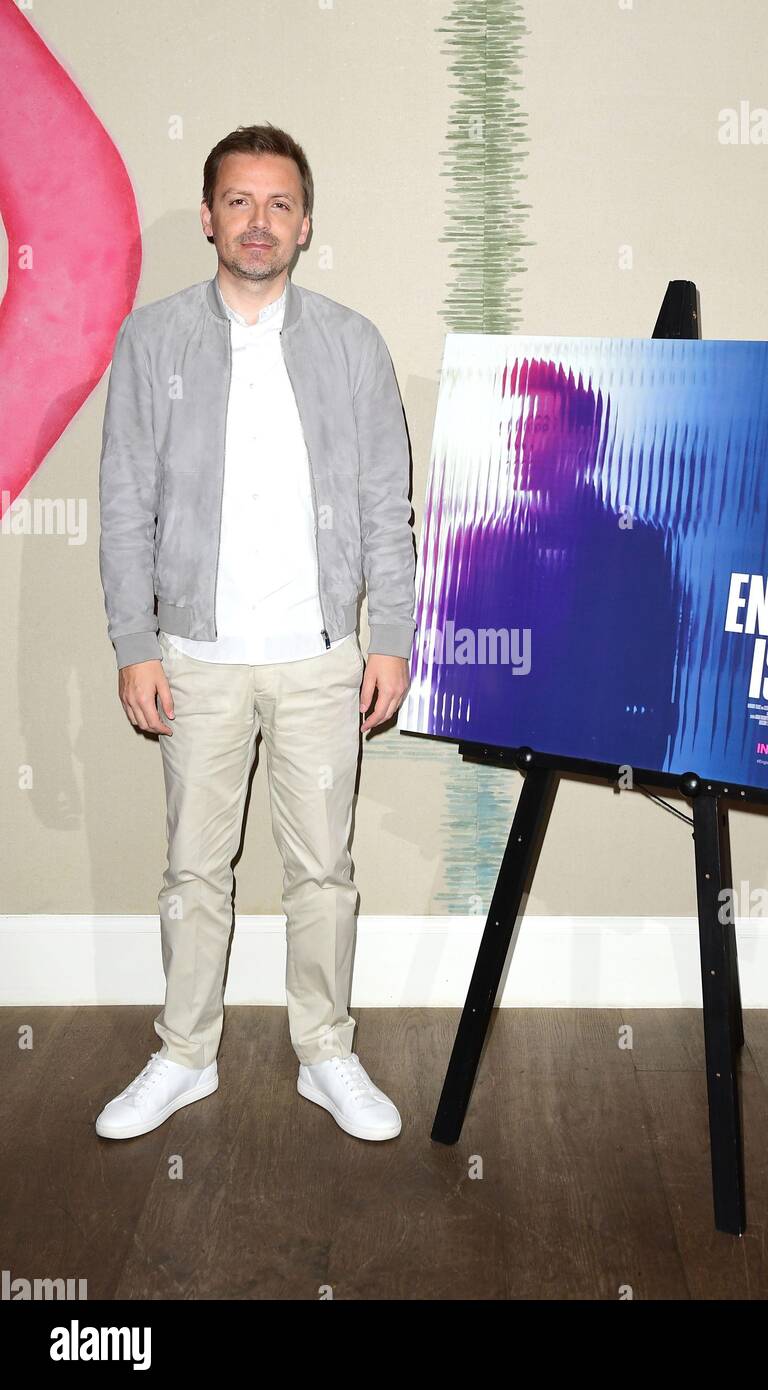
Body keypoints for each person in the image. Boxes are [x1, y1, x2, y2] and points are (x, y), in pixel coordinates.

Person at [95, 123, 416, 1143]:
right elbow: (123, 503)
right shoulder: (152, 343)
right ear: (207, 216)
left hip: (321, 654)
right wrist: (132, 641)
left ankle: (324, 1050)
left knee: (322, 870)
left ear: (305, 221)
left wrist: (390, 635)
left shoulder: (352, 344)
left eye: (279, 203)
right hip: (195, 657)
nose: (259, 221)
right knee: (194, 869)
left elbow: (383, 508)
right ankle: (184, 1053)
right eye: (239, 201)